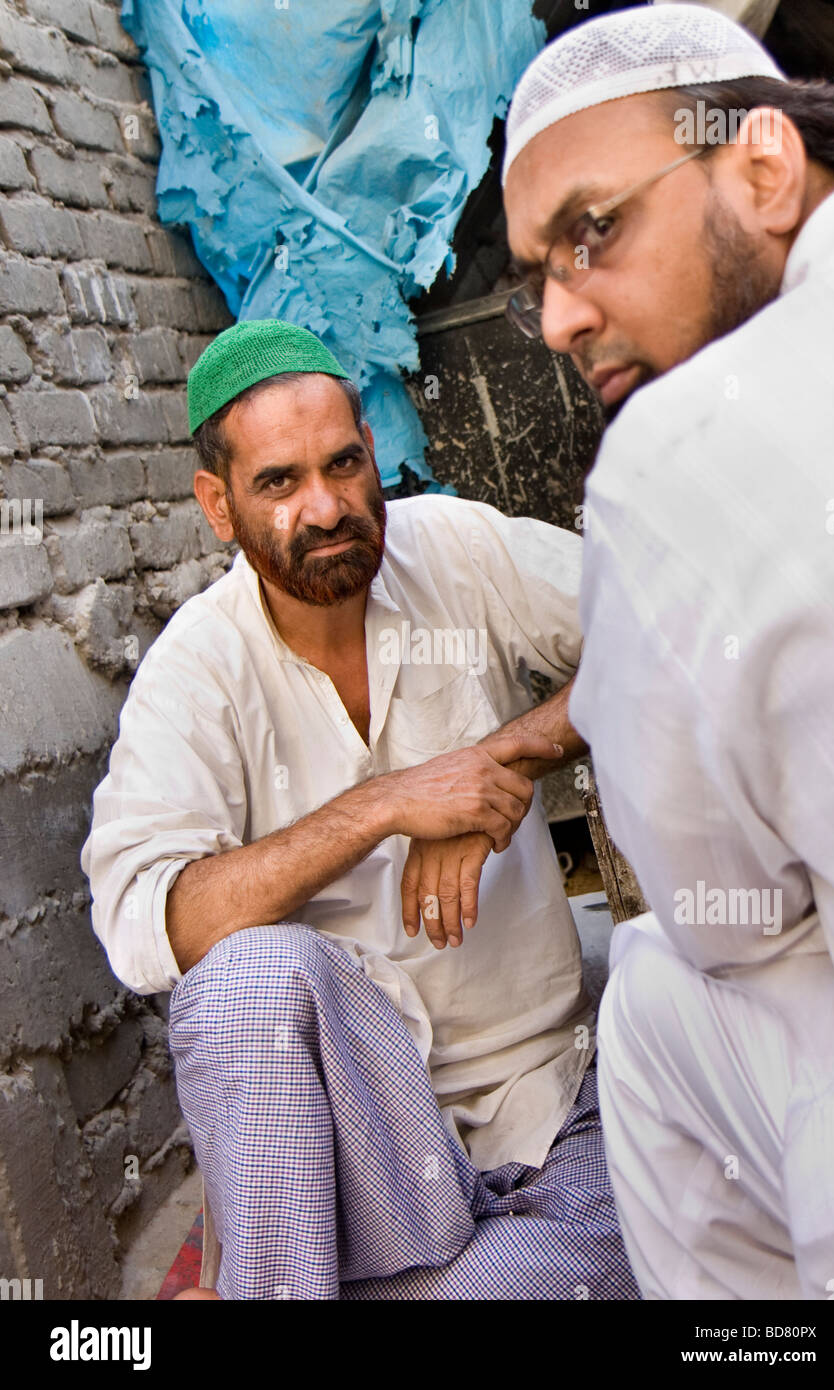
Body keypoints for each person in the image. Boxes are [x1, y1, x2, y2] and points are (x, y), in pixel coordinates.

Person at [81, 319, 639, 1301]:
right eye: (280, 482)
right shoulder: (195, 670)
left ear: (372, 450)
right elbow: (146, 929)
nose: (329, 506)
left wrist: (497, 762)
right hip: (358, 1151)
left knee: (618, 1224)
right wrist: (384, 806)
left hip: (542, 1105)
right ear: (217, 503)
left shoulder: (456, 550)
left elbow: (658, 623)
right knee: (242, 979)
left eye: (343, 464)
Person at [502, 2, 834, 1299]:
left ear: (762, 167)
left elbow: (729, 920)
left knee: (655, 979)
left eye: (589, 231)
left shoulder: (674, 451)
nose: (554, 318)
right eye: (536, 270)